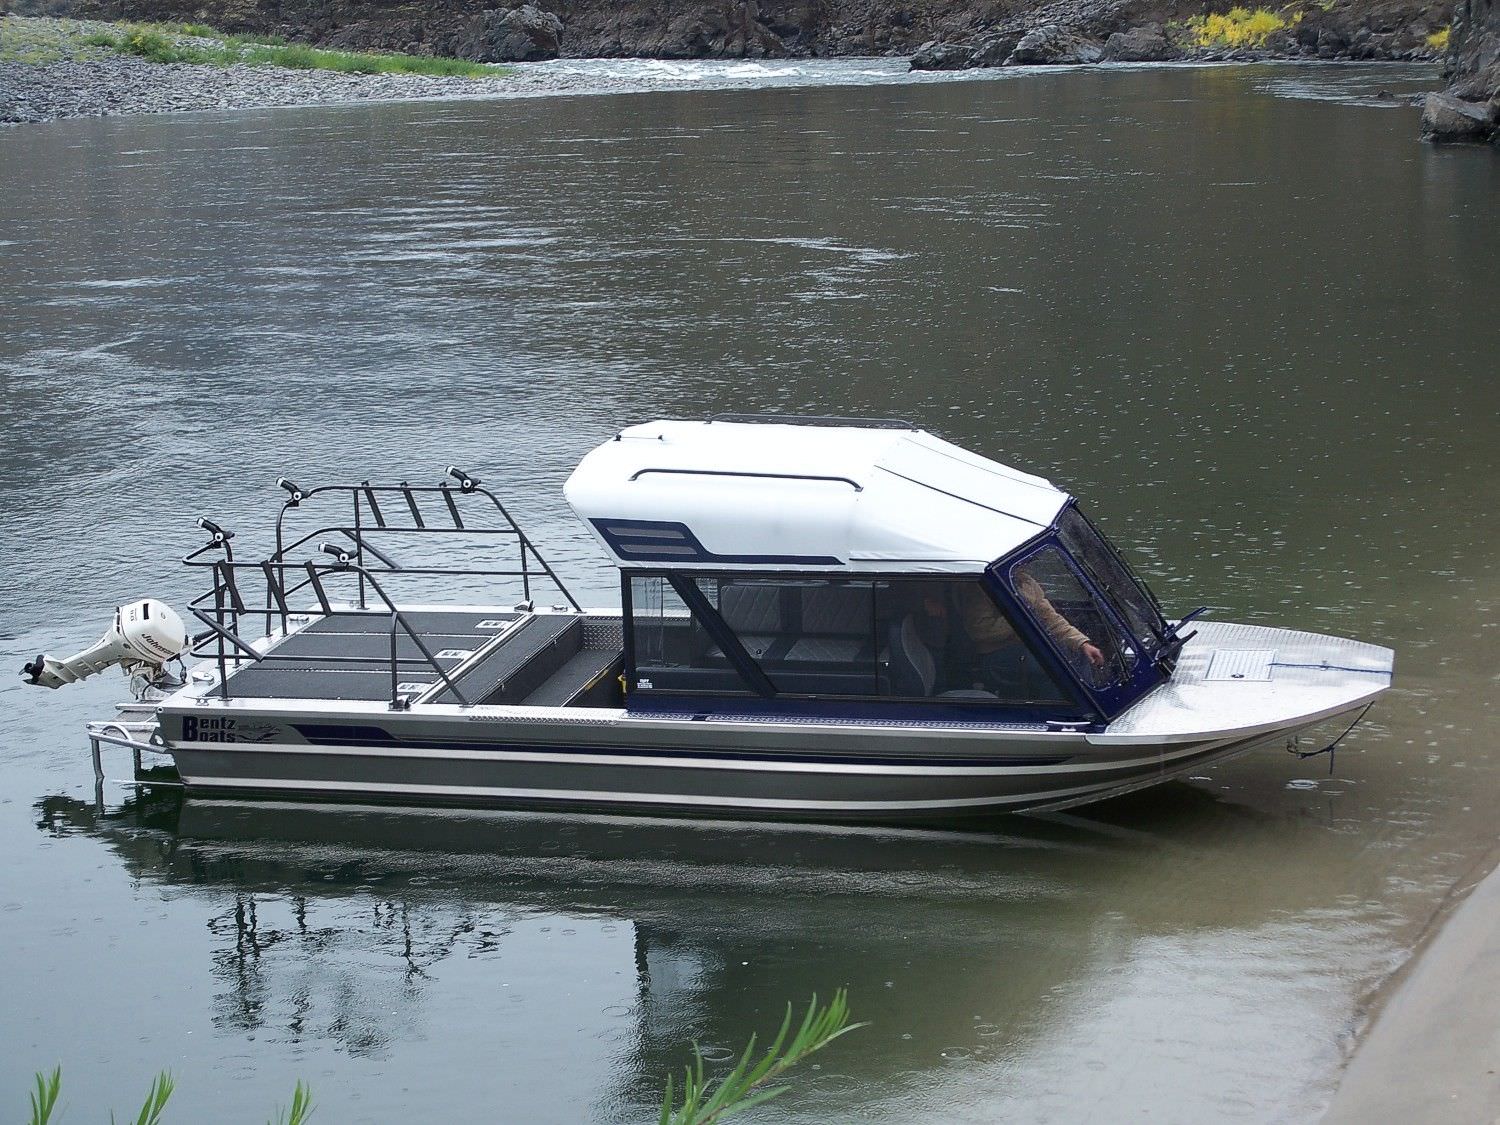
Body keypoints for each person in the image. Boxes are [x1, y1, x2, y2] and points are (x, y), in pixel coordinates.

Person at [954, 574, 1105, 694]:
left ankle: (1089, 696)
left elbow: (1051, 619)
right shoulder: (981, 587)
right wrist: (1021, 613)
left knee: (1076, 653)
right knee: (1051, 664)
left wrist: (1081, 642)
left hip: (1029, 646)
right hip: (994, 654)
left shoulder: (1027, 583)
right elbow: (979, 630)